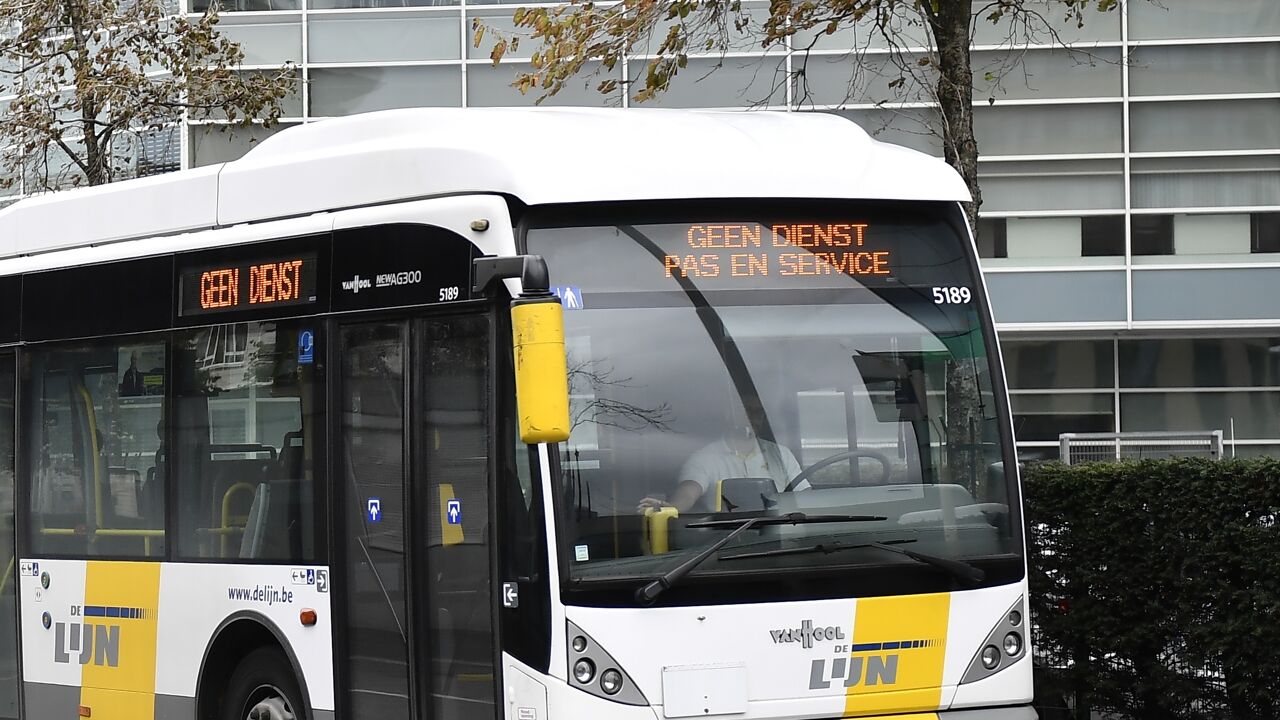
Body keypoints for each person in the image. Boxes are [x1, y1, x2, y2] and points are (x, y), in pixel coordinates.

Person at [637, 393, 807, 513]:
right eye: (747, 411)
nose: (753, 417)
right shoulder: (705, 458)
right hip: (724, 542)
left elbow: (804, 495)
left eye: (758, 412)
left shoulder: (781, 454)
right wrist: (672, 508)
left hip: (779, 537)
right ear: (729, 414)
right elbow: (689, 491)